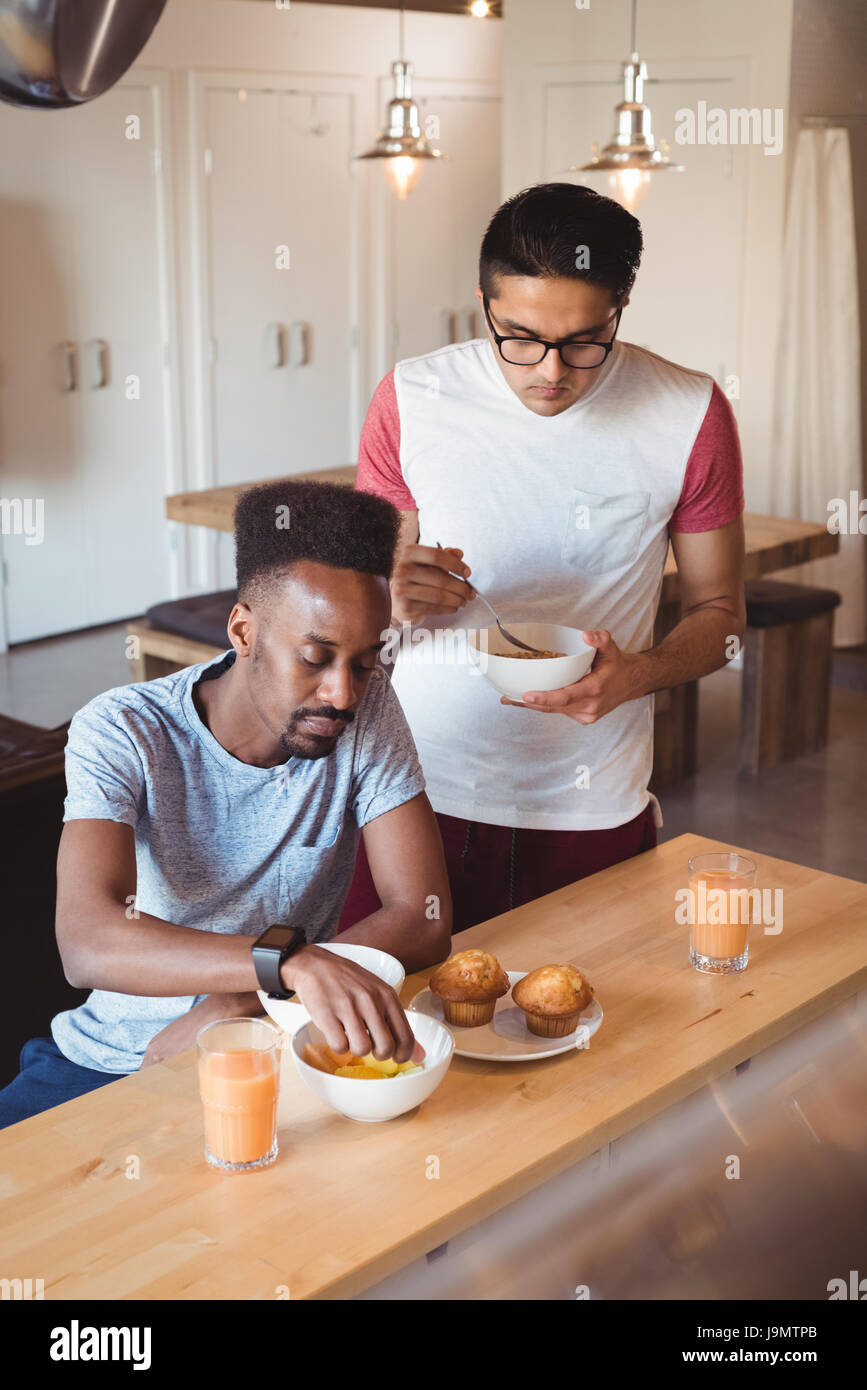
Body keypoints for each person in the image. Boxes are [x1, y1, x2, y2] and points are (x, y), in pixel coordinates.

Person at [342, 181, 745, 933]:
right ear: (482, 302)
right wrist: (386, 595)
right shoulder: (411, 395)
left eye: (583, 340)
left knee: (595, 1032)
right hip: (411, 788)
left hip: (588, 800)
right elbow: (363, 600)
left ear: (619, 306)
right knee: (387, 1031)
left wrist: (641, 674)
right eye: (519, 337)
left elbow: (721, 618)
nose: (549, 371)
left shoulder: (688, 410)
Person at [0, 480, 450, 1129]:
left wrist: (251, 999)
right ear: (243, 629)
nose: (343, 694)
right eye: (316, 658)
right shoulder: (125, 729)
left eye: (363, 661)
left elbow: (424, 916)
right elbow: (87, 942)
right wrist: (285, 964)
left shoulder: (367, 707)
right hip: (110, 1065)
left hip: (284, 1047)